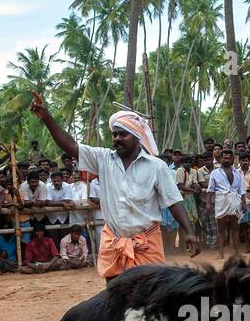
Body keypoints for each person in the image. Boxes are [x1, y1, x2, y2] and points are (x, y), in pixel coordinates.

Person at [28, 94, 197, 280]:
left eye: (123, 134)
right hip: (113, 242)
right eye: (114, 134)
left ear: (137, 136)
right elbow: (69, 145)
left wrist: (189, 232)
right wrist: (46, 117)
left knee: (149, 297)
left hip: (146, 243)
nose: (117, 138)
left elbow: (174, 202)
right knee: (114, 295)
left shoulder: (157, 166)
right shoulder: (103, 159)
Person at [208, 151, 247, 257]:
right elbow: (210, 189)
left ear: (232, 159)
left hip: (234, 199)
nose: (226, 160)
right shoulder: (215, 173)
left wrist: (244, 203)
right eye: (224, 158)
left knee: (235, 228)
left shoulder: (238, 173)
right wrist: (208, 203)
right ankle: (220, 252)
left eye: (229, 158)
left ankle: (237, 252)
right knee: (220, 228)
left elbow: (241, 189)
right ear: (220, 158)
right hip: (221, 199)